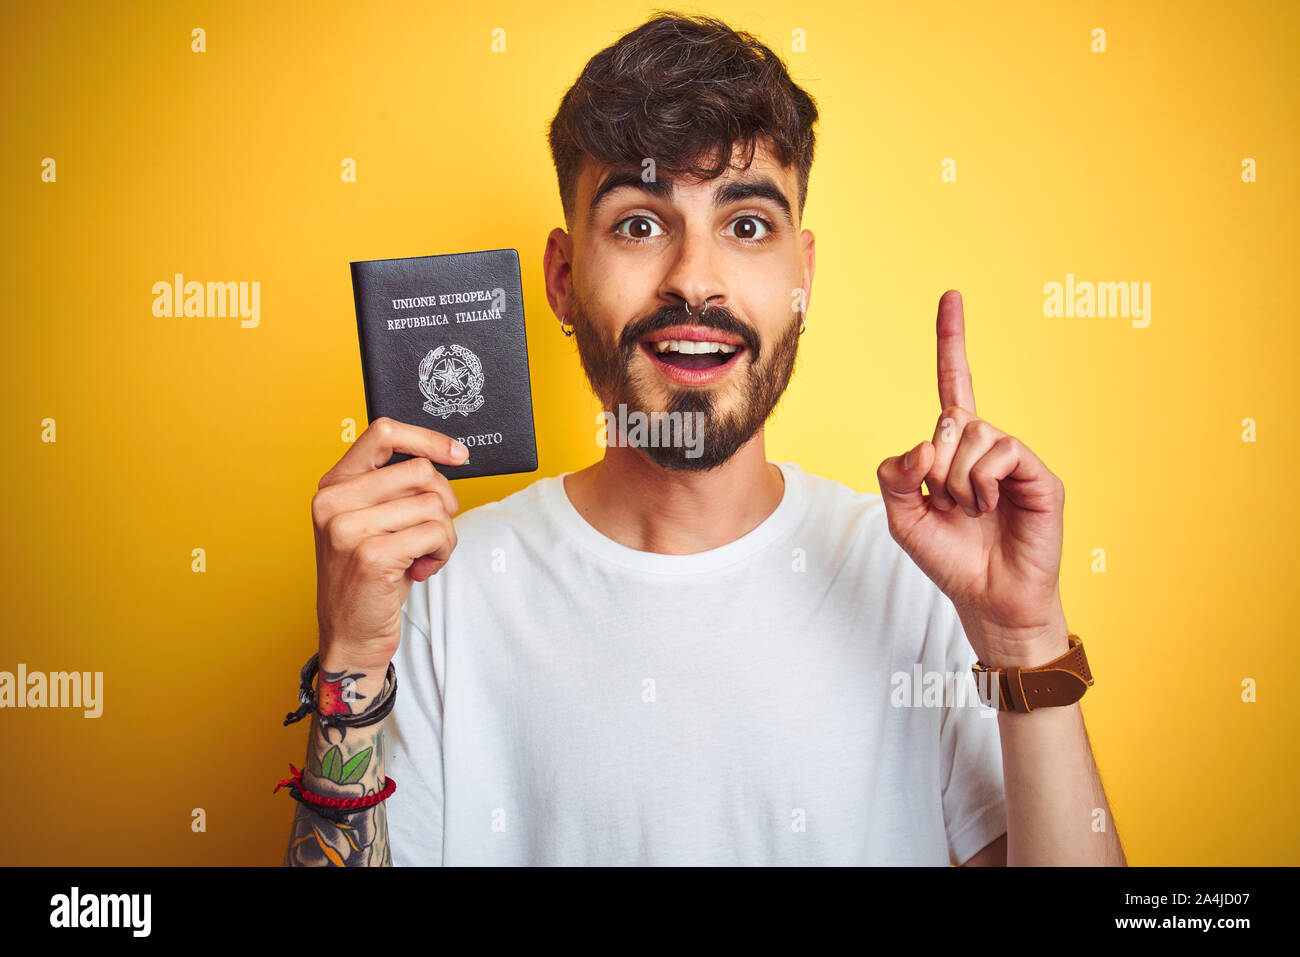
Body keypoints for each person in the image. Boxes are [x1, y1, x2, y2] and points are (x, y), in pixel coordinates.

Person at [283, 12, 1125, 867]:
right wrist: (350, 662)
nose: (694, 277)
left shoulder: (924, 582)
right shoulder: (439, 587)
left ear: (803, 276)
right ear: (564, 281)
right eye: (640, 224)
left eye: (746, 225)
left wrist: (1024, 640)